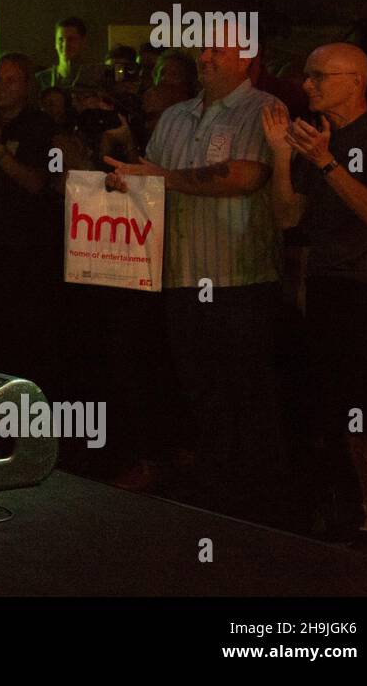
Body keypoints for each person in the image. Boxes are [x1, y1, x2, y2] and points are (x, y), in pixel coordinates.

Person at [106, 37, 285, 520]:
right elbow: (153, 179)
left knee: (248, 390)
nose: (204, 58)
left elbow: (244, 177)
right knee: (201, 389)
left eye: (218, 51)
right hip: (183, 274)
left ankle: (261, 502)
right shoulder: (175, 115)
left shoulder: (264, 109)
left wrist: (161, 177)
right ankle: (218, 494)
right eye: (202, 51)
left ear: (247, 58)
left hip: (240, 277)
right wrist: (126, 181)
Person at [262, 43, 367, 558]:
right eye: (307, 74)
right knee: (345, 406)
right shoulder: (317, 136)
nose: (308, 85)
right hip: (325, 283)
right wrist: (284, 158)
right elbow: (287, 217)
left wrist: (326, 162)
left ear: (355, 81)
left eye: (320, 76)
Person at [0, 54, 61, 387]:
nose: (1, 87)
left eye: (11, 80)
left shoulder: (40, 124)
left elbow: (37, 182)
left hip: (24, 249)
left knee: (24, 336)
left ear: (27, 86)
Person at [36, 16, 87, 91]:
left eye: (71, 39)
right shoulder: (41, 81)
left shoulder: (95, 78)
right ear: (55, 43)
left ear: (83, 42)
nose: (65, 45)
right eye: (61, 39)